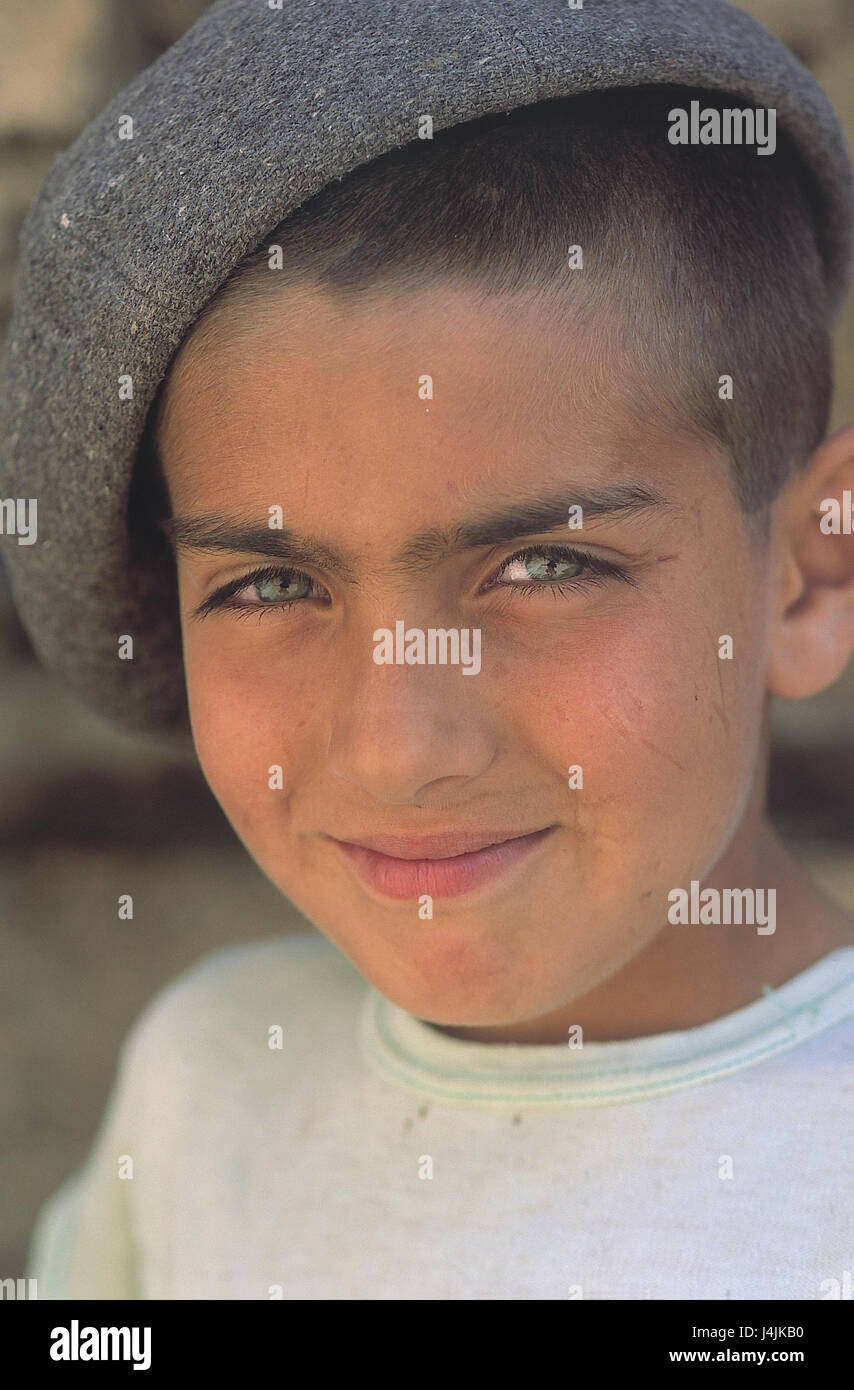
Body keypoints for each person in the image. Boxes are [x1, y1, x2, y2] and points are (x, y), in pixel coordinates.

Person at [3, 0, 854, 1299]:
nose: (401, 745)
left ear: (805, 575)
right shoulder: (208, 1081)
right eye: (272, 581)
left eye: (546, 564)